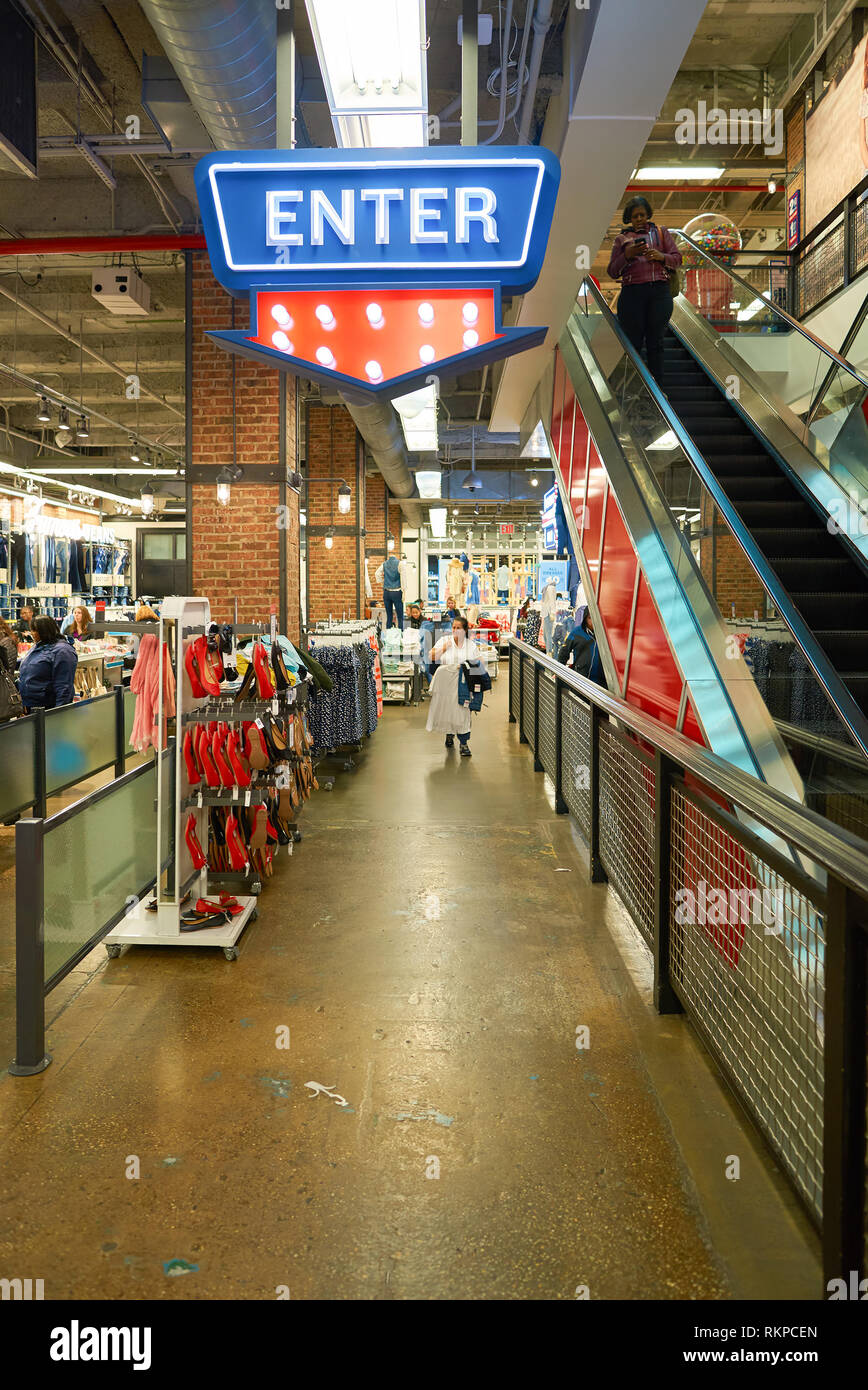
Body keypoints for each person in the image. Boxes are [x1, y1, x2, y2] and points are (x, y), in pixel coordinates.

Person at [607, 196, 682, 389]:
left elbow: (677, 258)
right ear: (629, 219)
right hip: (632, 293)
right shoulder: (622, 239)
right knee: (634, 343)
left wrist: (661, 256)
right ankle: (633, 388)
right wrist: (627, 255)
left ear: (648, 214)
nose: (639, 219)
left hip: (659, 292)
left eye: (642, 215)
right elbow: (613, 271)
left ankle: (658, 391)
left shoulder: (661, 233)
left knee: (656, 342)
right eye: (634, 216)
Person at [426, 617, 483, 758]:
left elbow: (479, 664)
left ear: (465, 630)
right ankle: (449, 733)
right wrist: (444, 648)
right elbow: (431, 657)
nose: (455, 630)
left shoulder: (471, 646)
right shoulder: (444, 641)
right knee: (448, 711)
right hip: (445, 685)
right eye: (453, 627)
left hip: (463, 685)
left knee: (463, 712)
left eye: (458, 628)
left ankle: (464, 744)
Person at [18, 615, 78, 710]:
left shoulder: (63, 651)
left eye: (34, 630)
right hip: (31, 705)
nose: (32, 634)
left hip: (47, 707)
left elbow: (64, 687)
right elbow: (32, 662)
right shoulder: (39, 644)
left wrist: (58, 713)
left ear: (44, 631)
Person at [558, 607, 605, 685]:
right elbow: (564, 652)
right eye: (590, 618)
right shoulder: (576, 632)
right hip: (580, 679)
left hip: (599, 683)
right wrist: (559, 672)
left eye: (595, 617)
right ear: (585, 618)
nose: (593, 621)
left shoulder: (605, 635)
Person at [375, 552, 409, 630]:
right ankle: (400, 634)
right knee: (400, 616)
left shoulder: (384, 564)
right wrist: (404, 590)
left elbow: (377, 573)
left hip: (387, 592)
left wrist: (382, 581)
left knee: (389, 616)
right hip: (397, 592)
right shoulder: (400, 564)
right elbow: (403, 578)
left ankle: (388, 636)